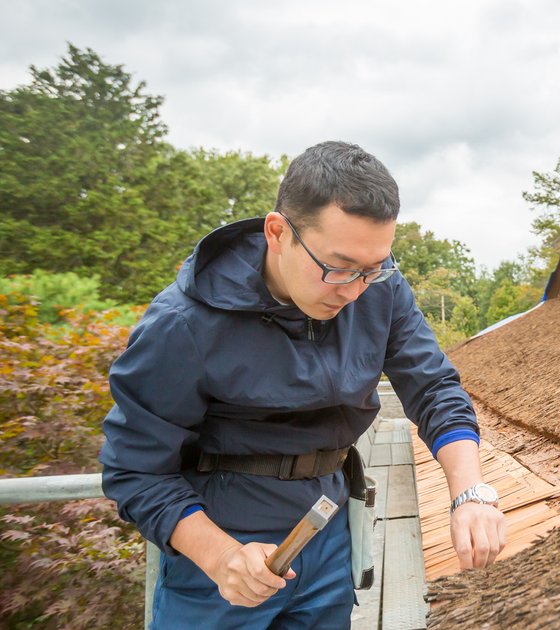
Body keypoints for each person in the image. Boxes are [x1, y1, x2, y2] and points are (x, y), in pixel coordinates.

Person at [100, 141, 506, 628]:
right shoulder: (183, 324)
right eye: (337, 268)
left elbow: (434, 387)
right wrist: (220, 556)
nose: (353, 291)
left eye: (372, 269)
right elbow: (135, 468)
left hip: (327, 536)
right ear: (278, 233)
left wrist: (469, 492)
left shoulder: (382, 291)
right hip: (220, 560)